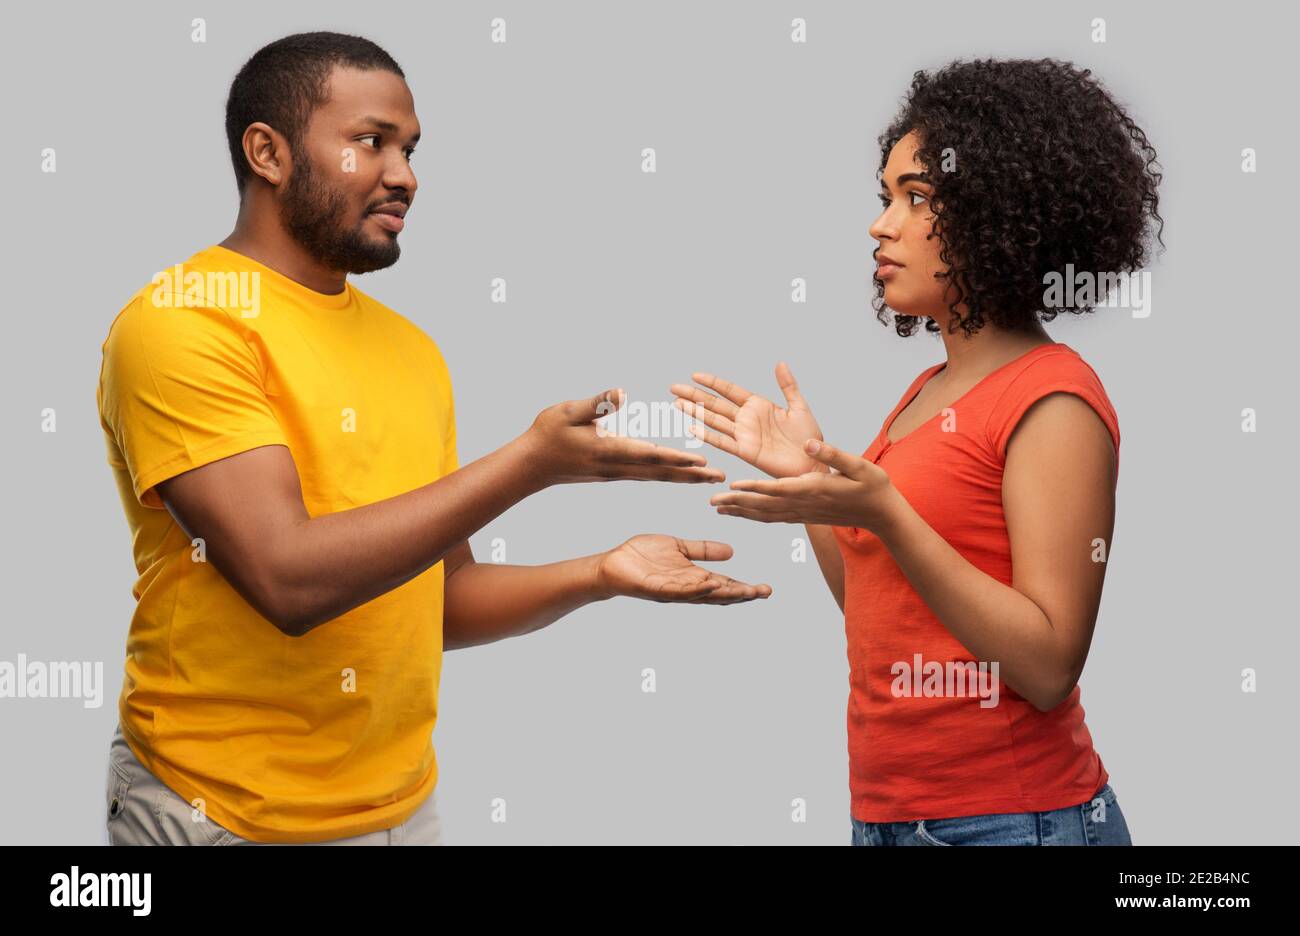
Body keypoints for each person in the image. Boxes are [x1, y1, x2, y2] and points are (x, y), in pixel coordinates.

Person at [98, 31, 769, 846]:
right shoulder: (182, 323)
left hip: (399, 812)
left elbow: (438, 599)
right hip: (215, 811)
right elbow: (287, 583)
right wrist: (530, 465)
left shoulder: (412, 351)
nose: (405, 175)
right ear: (268, 153)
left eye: (410, 149)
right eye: (369, 141)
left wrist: (599, 573)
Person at [671, 58, 1163, 845]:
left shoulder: (1054, 397)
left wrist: (889, 514)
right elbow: (876, 604)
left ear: (1001, 212)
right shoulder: (924, 393)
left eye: (918, 197)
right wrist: (814, 486)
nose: (882, 224)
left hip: (1012, 822)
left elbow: (1046, 666)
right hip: (893, 819)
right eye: (887, 196)